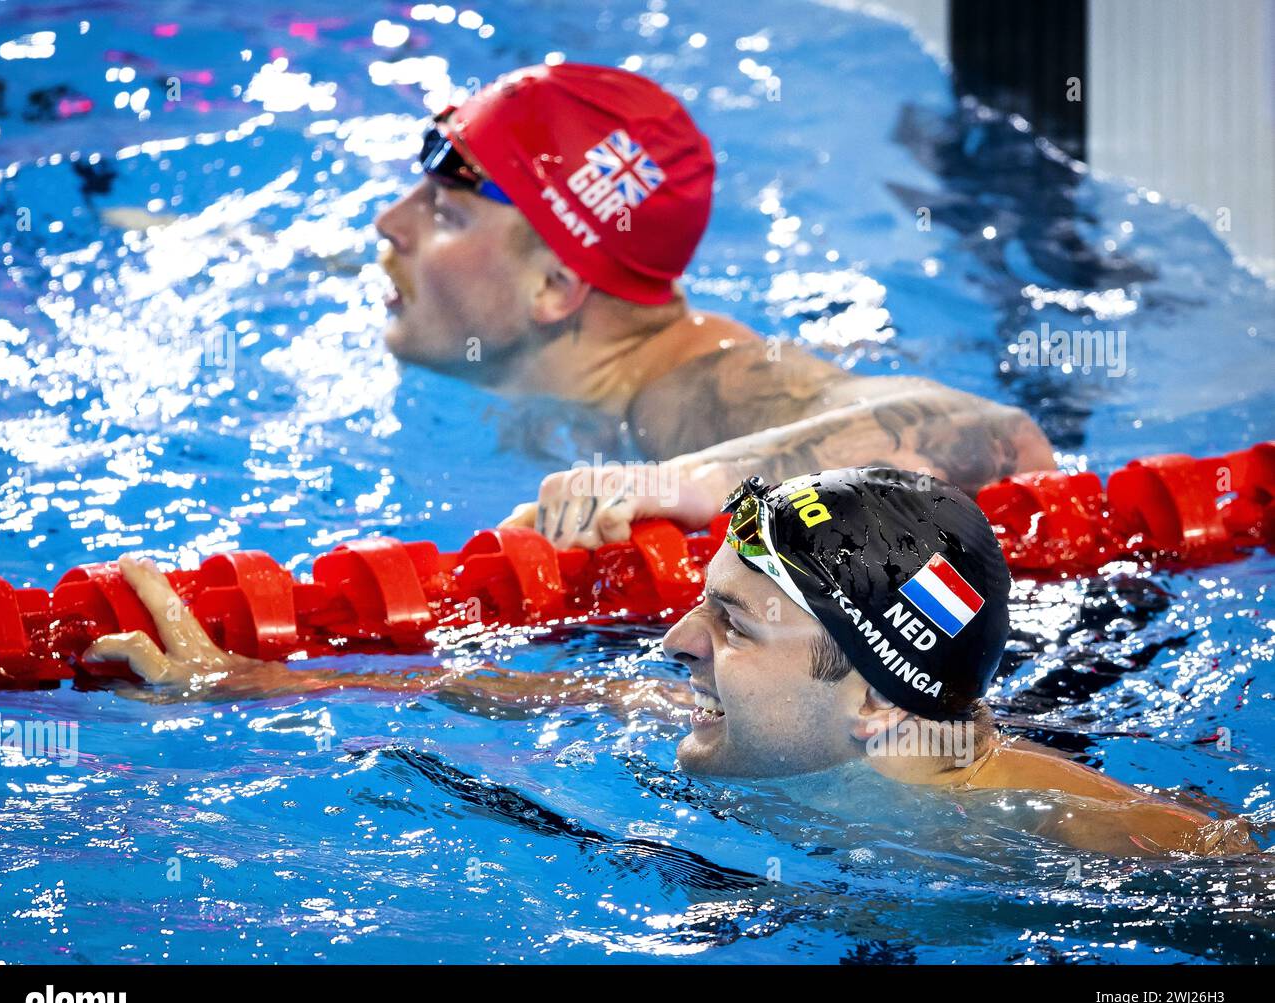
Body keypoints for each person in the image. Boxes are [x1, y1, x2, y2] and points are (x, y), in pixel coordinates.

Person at [83, 468, 1253, 859]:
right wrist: (274, 686)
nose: (672, 642)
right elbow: (545, 687)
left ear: (870, 701)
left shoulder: (1069, 828)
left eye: (733, 627)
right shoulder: (787, 719)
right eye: (702, 606)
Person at [374, 62, 1056, 548]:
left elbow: (996, 435)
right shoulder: (563, 368)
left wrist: (685, 481)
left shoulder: (686, 394)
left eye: (445, 214)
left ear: (555, 287)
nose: (388, 223)